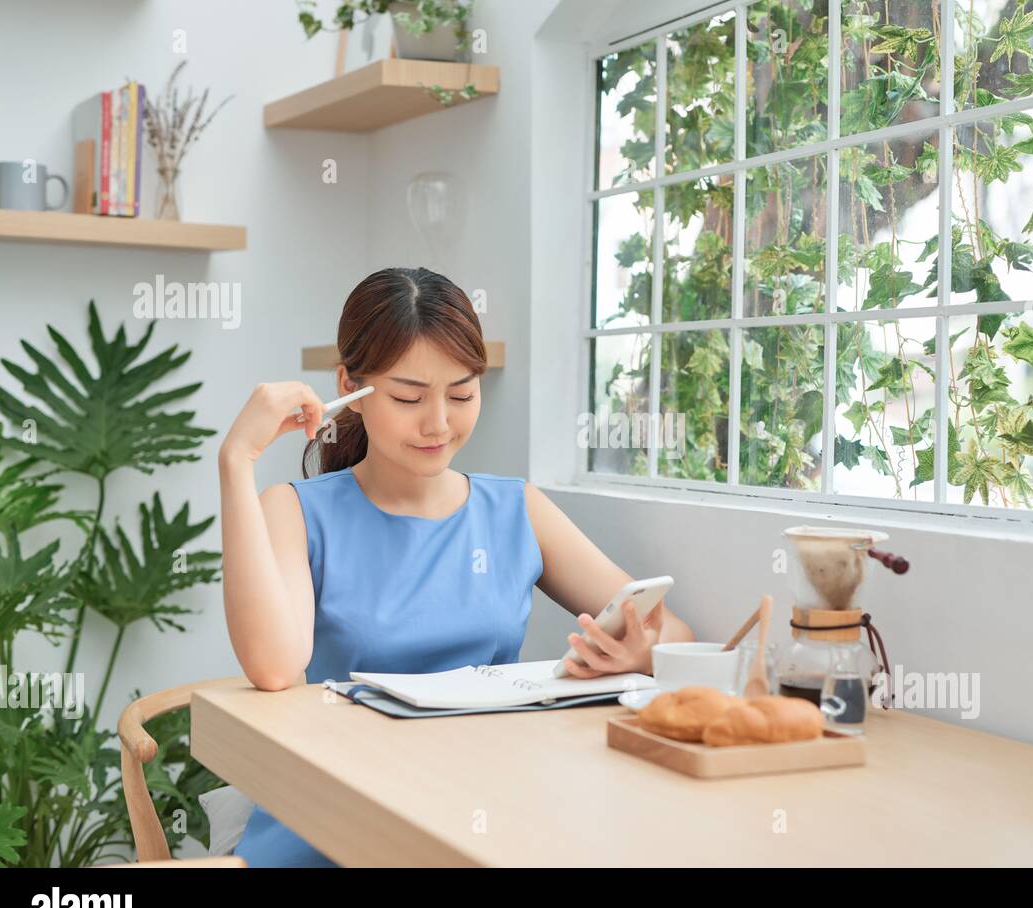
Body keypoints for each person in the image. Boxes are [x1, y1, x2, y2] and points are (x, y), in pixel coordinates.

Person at [217, 267, 695, 866]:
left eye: (462, 394)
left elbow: (671, 631)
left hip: (486, 809)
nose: (439, 422)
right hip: (337, 816)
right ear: (349, 387)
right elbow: (273, 667)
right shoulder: (295, 511)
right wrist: (237, 460)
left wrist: (638, 653)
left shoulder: (516, 509)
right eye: (408, 397)